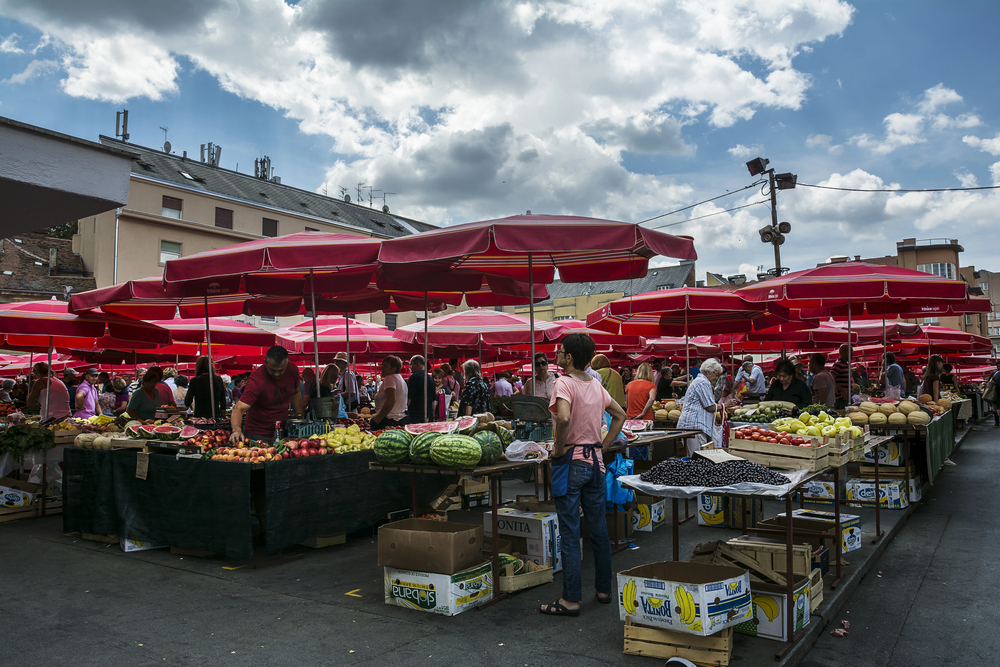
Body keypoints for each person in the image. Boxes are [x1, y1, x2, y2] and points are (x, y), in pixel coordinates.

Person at [539, 333, 625, 617]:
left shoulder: (563, 383)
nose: (557, 355)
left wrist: (558, 449)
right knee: (598, 530)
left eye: (560, 351)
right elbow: (620, 415)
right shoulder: (596, 385)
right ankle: (604, 590)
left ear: (570, 357)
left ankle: (570, 600)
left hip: (571, 461)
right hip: (596, 462)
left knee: (570, 531)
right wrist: (605, 445)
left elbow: (563, 417)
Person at [230, 346, 303, 444]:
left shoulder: (292, 370)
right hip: (258, 434)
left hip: (282, 431)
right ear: (265, 362)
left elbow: (296, 393)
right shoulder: (257, 380)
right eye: (272, 370)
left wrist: (300, 419)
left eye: (281, 370)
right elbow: (239, 408)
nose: (276, 374)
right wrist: (236, 430)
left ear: (287, 363)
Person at [677, 359, 724, 456]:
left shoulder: (701, 381)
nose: (716, 377)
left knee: (696, 456)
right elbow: (709, 407)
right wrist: (725, 405)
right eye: (716, 374)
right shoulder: (702, 382)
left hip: (693, 426)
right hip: (694, 426)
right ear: (708, 372)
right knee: (696, 457)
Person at [371, 355, 408, 429]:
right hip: (401, 418)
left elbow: (391, 400)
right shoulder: (400, 378)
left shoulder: (389, 378)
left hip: (390, 419)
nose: (382, 367)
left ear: (393, 369)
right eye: (382, 365)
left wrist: (379, 417)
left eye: (385, 366)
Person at [186, 355, 228, 419]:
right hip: (215, 416)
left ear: (198, 366)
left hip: (200, 417)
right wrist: (223, 416)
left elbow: (187, 402)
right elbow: (223, 401)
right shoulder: (218, 380)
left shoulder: (195, 381)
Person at [406, 355, 436, 423]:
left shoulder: (414, 377)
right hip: (428, 415)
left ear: (417, 364)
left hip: (415, 416)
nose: (410, 368)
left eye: (411, 365)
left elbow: (409, 398)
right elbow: (433, 402)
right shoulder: (430, 379)